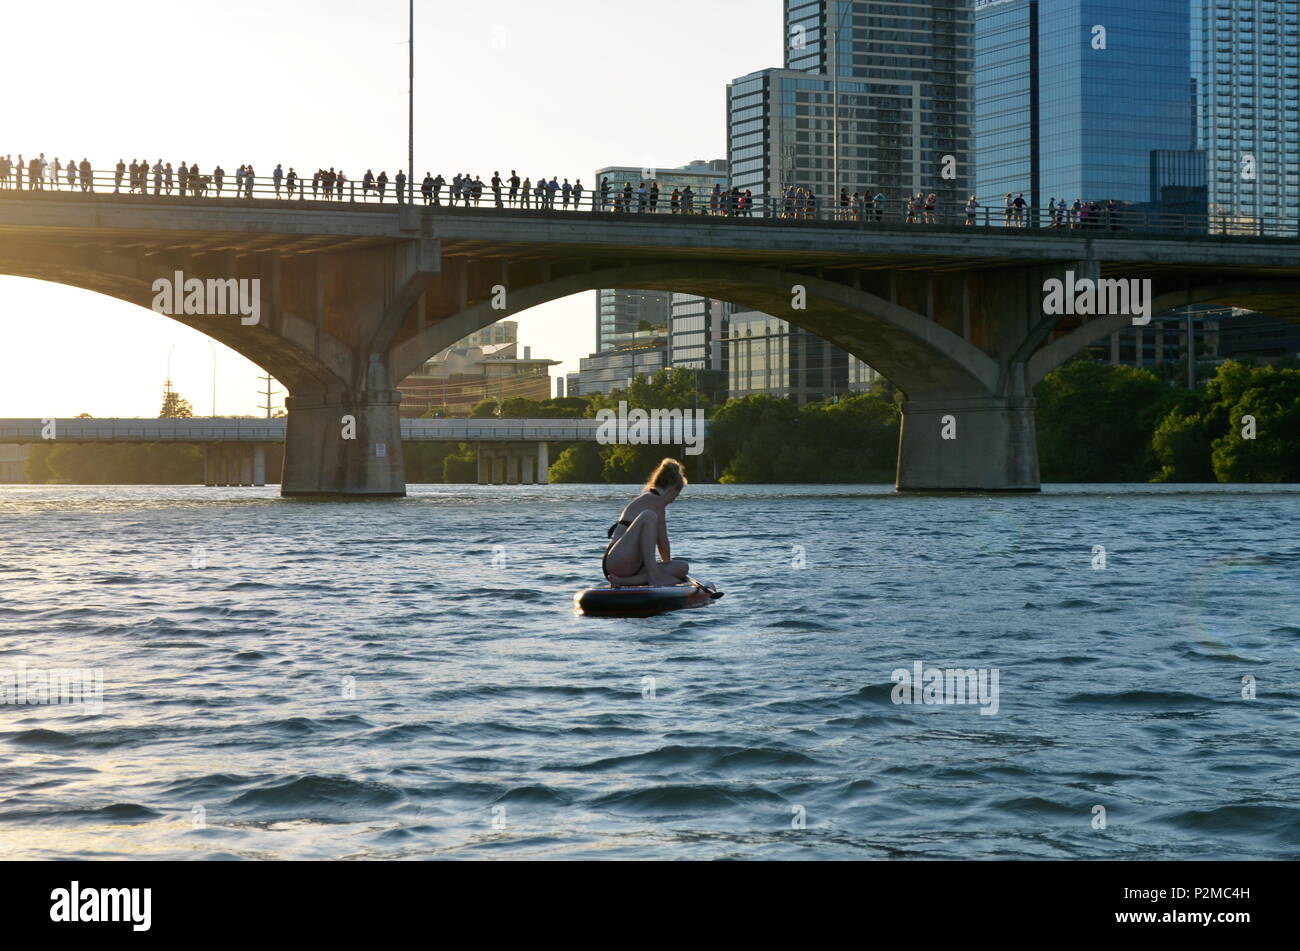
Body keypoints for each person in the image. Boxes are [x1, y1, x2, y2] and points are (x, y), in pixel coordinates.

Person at [601, 459, 692, 588]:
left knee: (682, 567)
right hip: (617, 560)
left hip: (632, 567)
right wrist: (665, 570)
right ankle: (654, 578)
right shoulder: (656, 501)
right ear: (672, 490)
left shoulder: (652, 500)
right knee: (648, 516)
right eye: (675, 496)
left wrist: (672, 570)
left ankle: (625, 582)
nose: (672, 501)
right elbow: (663, 544)